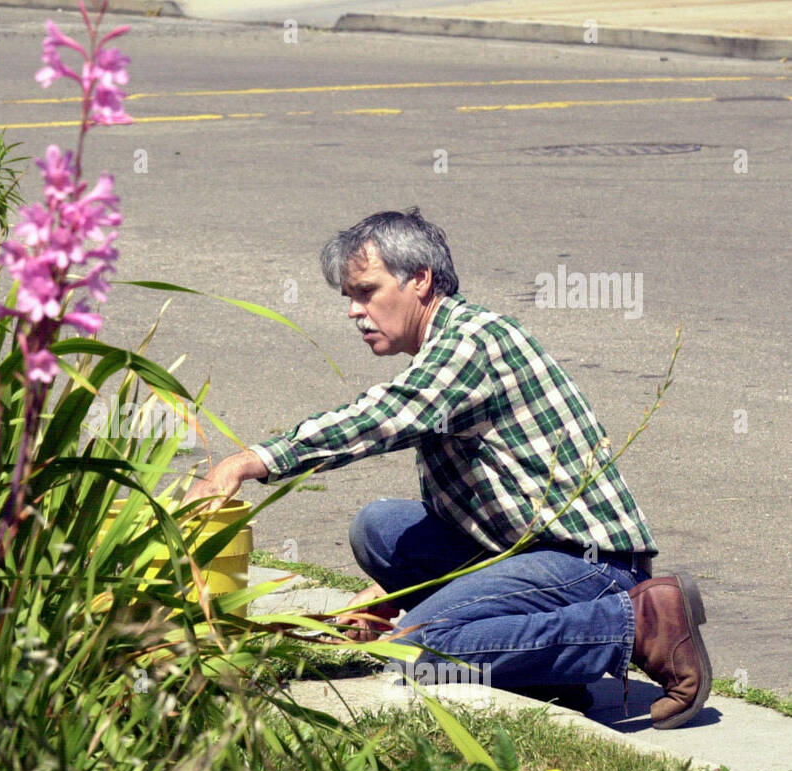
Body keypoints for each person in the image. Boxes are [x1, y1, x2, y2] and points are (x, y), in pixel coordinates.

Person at [181, 208, 711, 729]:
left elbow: (383, 417)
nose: (353, 311)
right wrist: (399, 594)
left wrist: (250, 461)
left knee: (416, 647)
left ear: (420, 280)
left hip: (592, 566)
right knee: (379, 527)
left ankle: (636, 624)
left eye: (366, 291)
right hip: (526, 548)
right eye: (349, 297)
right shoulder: (445, 344)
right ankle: (541, 668)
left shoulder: (471, 343)